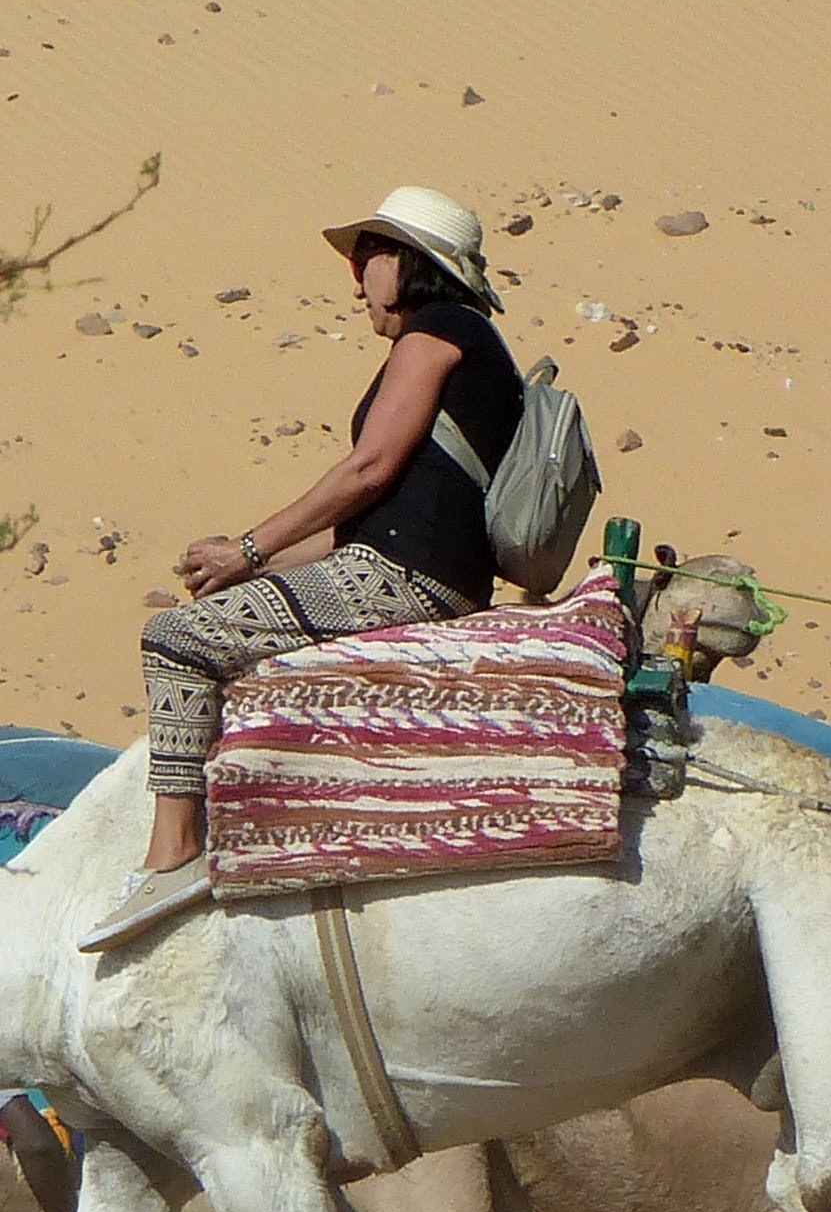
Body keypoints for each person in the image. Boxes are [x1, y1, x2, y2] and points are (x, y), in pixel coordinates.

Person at [84, 186, 528, 950]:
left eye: (367, 257)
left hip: (402, 582)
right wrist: (250, 567)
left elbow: (367, 469)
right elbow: (368, 515)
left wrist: (249, 548)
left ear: (410, 264)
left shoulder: (440, 331)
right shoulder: (464, 342)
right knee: (220, 623)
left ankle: (171, 858)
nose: (355, 280)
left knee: (177, 641)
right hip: (398, 564)